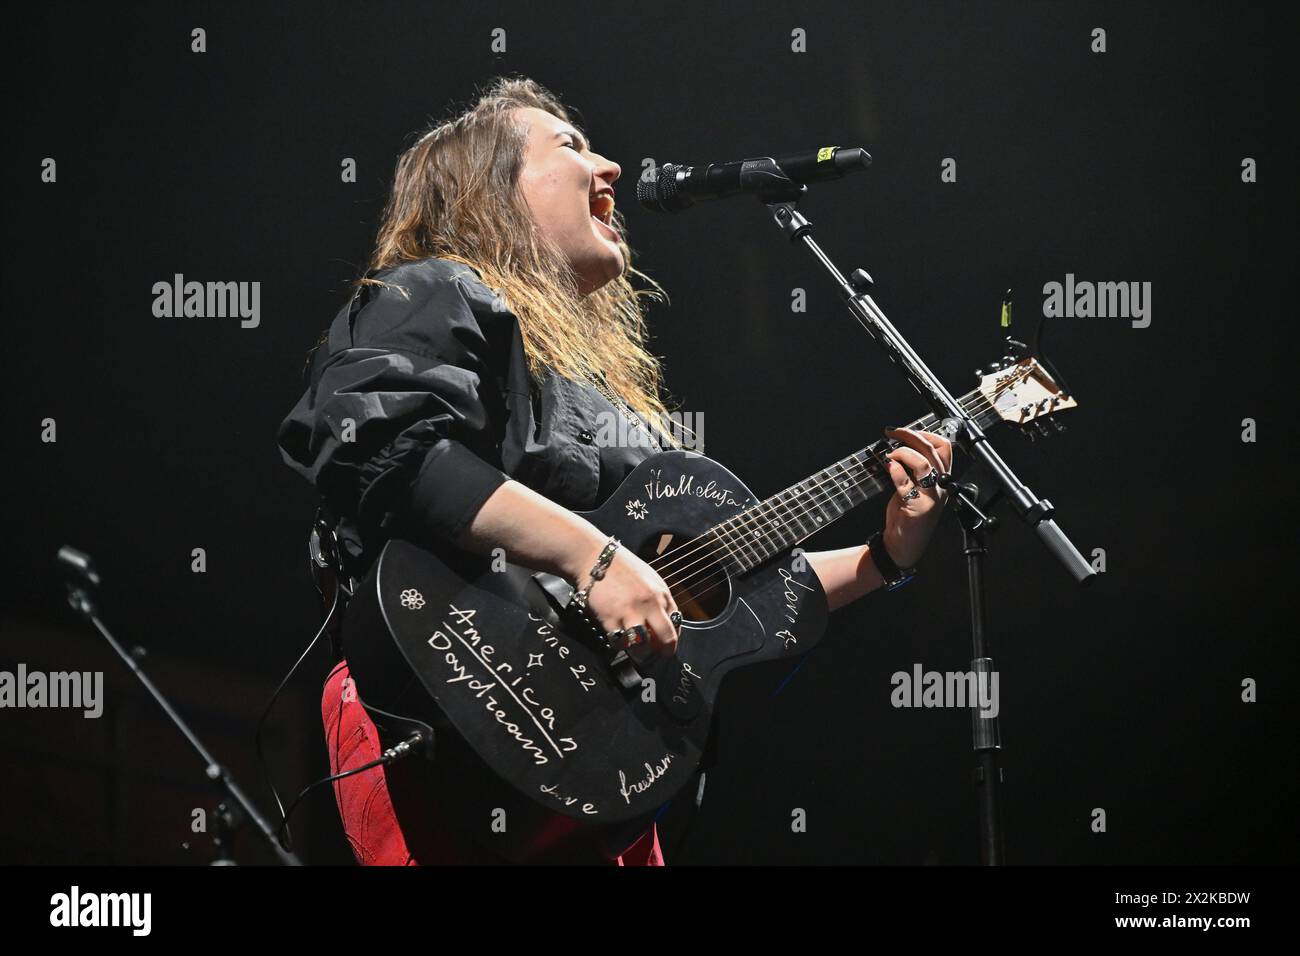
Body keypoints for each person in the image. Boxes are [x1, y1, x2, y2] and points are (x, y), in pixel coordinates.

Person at [277, 76, 952, 866]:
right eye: (569, 147)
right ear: (489, 190)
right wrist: (590, 556)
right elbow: (386, 449)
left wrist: (887, 556)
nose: (613, 170)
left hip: (599, 771)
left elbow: (722, 596)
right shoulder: (435, 289)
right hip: (445, 707)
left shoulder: (600, 394)